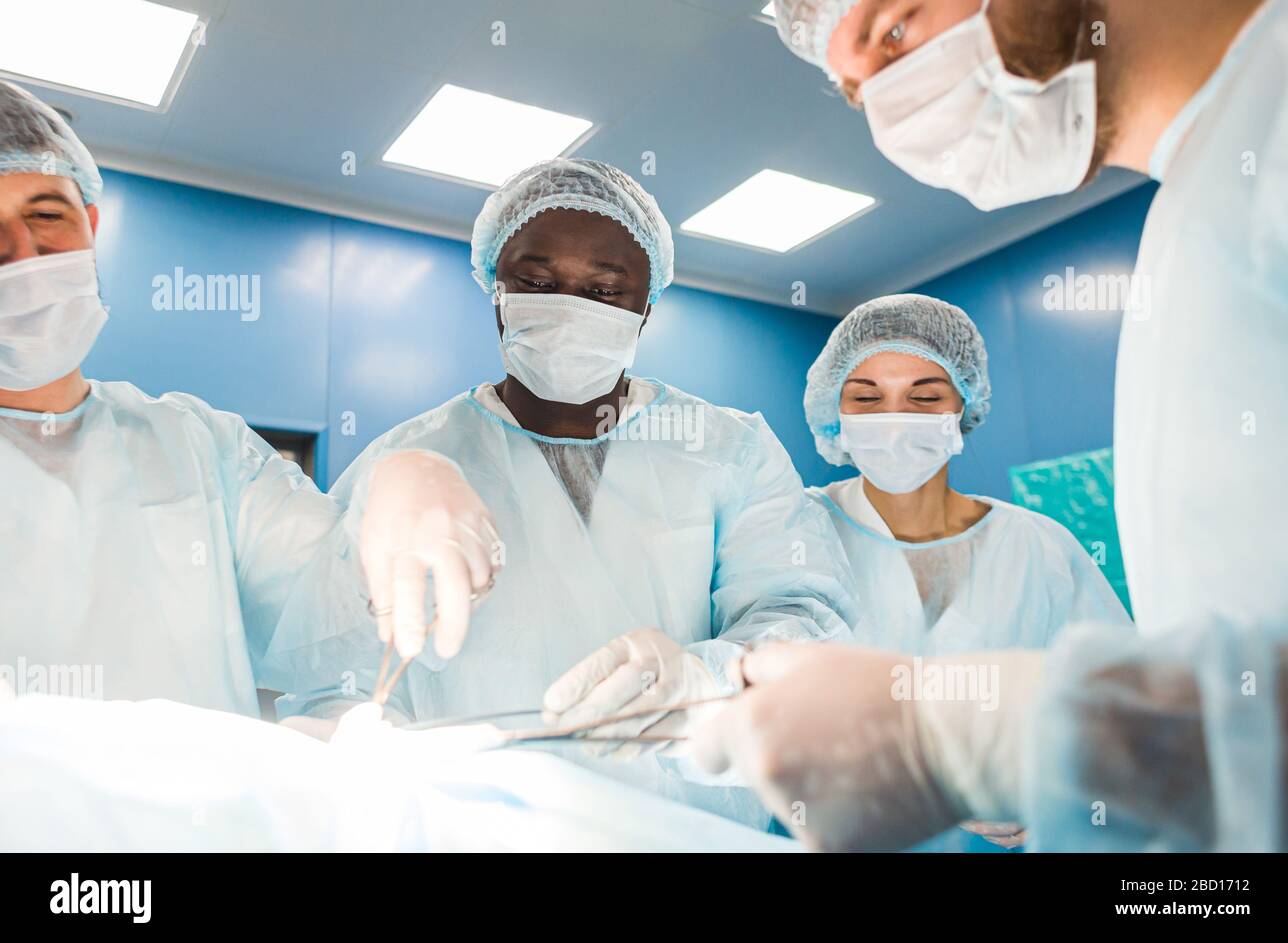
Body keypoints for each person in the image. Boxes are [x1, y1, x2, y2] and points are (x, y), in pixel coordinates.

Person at [691, 0, 1288, 850]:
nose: (900, 122)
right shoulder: (1203, 205)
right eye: (862, 94)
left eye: (895, 29)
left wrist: (985, 739)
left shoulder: (1282, 131)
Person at [276, 157, 857, 828]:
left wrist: (713, 681)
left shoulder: (729, 450)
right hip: (472, 832)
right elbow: (332, 667)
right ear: (495, 289)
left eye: (605, 290)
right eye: (536, 281)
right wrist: (364, 748)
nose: (569, 305)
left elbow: (802, 618)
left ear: (647, 306)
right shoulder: (413, 464)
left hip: (691, 829)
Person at [0, 80, 499, 718]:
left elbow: (327, 619)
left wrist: (401, 486)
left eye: (46, 214)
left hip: (199, 818)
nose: (24, 251)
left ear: (91, 225)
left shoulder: (197, 445)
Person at [806, 292, 1130, 654]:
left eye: (926, 398)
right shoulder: (798, 528)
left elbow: (1120, 688)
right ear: (835, 412)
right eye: (866, 399)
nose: (895, 424)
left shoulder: (1038, 546)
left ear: (965, 405)